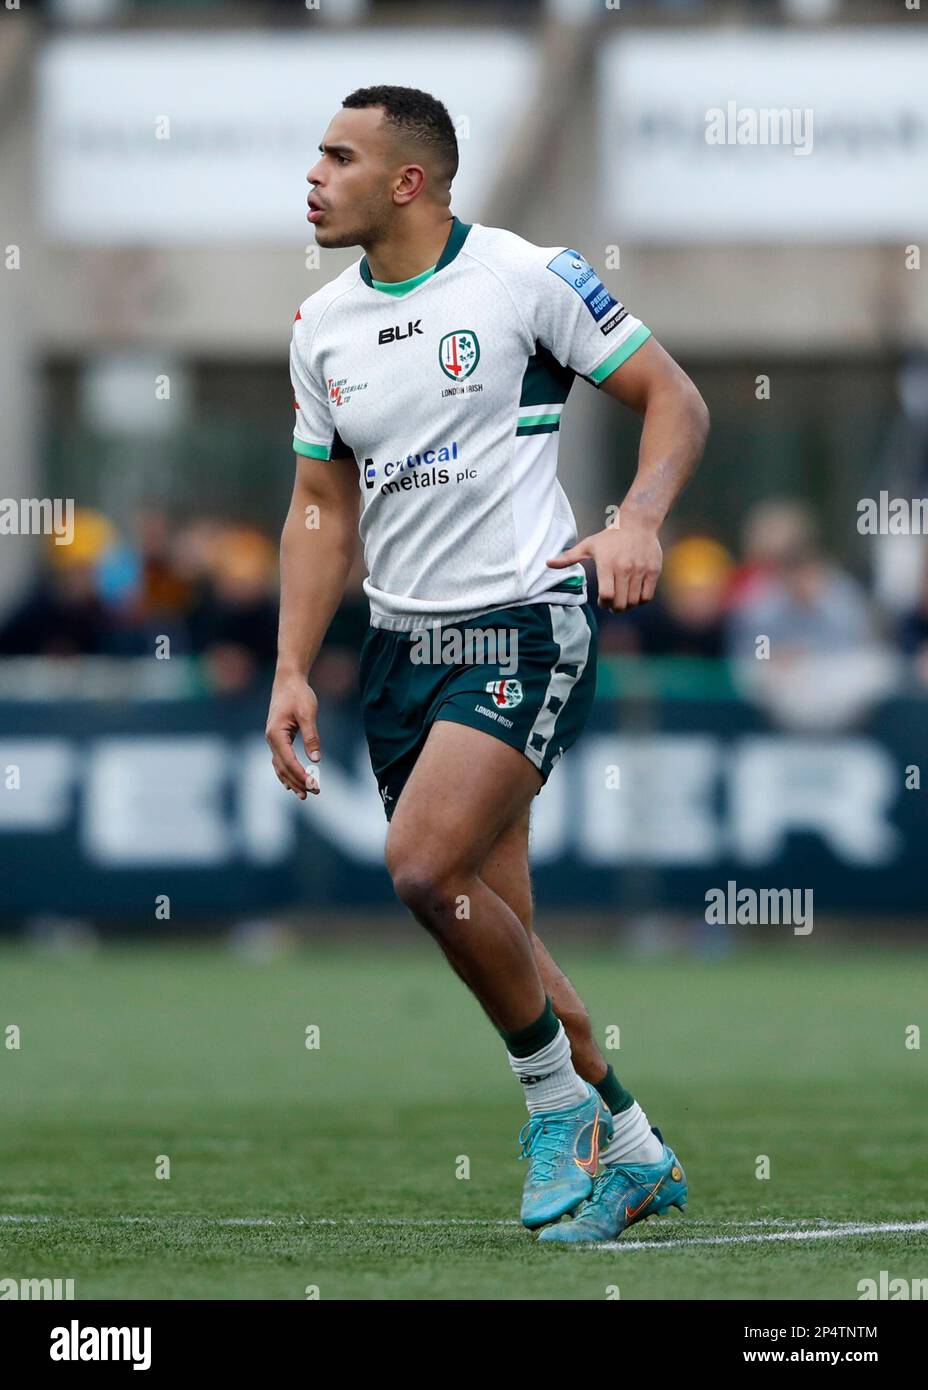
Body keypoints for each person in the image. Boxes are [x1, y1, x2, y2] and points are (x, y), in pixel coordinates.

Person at [265, 86, 709, 1244]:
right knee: (493, 918)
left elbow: (676, 398)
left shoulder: (524, 277)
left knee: (420, 867)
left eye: (338, 156)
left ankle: (556, 1110)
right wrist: (291, 666)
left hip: (520, 623)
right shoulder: (320, 328)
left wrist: (638, 518)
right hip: (399, 653)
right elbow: (320, 505)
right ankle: (639, 1147)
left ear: (407, 181)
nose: (312, 175)